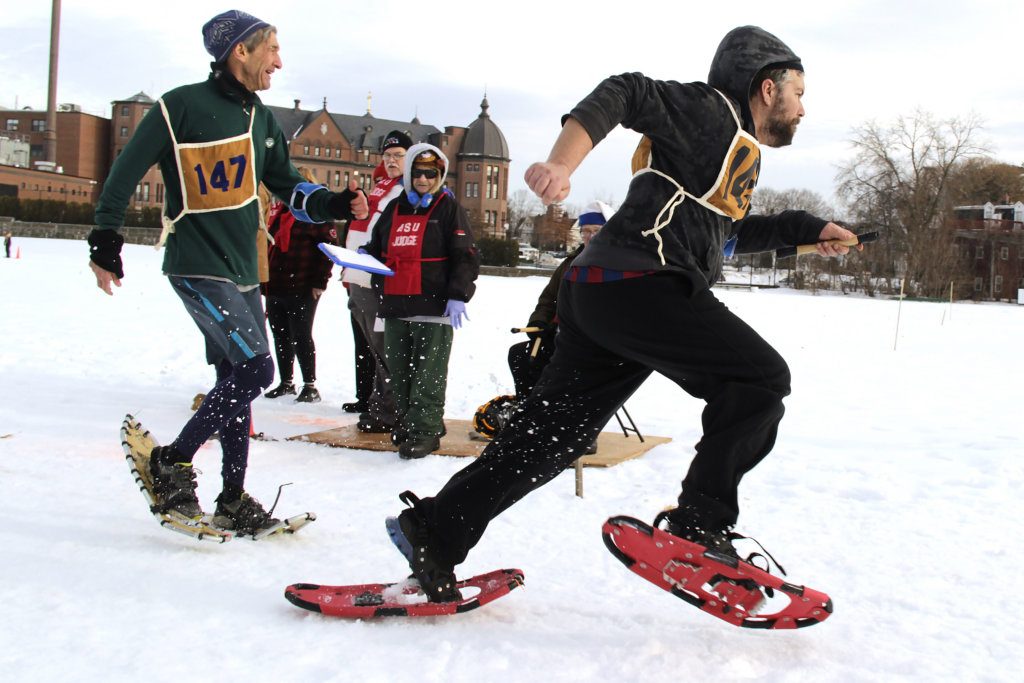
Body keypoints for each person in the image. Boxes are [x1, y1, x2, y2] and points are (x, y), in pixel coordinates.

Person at [385, 25, 863, 602]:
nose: (804, 108)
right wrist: (562, 164)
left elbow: (727, 232)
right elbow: (627, 90)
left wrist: (812, 234)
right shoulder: (709, 111)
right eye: (800, 93)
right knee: (759, 380)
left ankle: (436, 532)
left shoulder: (731, 147)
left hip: (602, 290)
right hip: (642, 284)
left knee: (549, 439)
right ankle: (699, 524)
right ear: (767, 88)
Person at [87, 10, 368, 534]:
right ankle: (173, 460)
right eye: (273, 50)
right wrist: (105, 239)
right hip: (196, 266)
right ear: (241, 50)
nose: (279, 62)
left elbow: (290, 186)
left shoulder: (261, 118)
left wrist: (333, 202)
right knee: (259, 371)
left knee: (235, 377)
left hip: (242, 270)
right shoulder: (179, 106)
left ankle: (234, 497)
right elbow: (123, 175)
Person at [363, 143, 480, 459]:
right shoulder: (394, 207)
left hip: (433, 307)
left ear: (439, 175)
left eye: (431, 174)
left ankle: (425, 431)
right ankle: (408, 423)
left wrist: (458, 294)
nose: (424, 179)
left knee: (427, 375)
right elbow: (378, 245)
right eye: (418, 173)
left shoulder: (448, 208)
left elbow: (465, 254)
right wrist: (365, 256)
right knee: (399, 374)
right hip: (396, 306)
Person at [342, 131, 412, 433]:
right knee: (373, 348)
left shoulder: (406, 190)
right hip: (357, 276)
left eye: (398, 155)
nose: (392, 161)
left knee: (385, 349)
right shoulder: (380, 187)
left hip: (376, 279)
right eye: (388, 156)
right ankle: (379, 405)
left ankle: (390, 410)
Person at [507, 201, 613, 400]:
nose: (590, 237)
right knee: (521, 356)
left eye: (597, 230)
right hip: (560, 338)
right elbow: (548, 299)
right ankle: (529, 410)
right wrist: (539, 322)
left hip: (593, 346)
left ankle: (557, 415)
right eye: (586, 231)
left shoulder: (616, 265)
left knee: (556, 369)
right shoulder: (570, 263)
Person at [263, 167, 338, 403]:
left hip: (303, 284)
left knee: (301, 335)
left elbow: (327, 250)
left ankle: (310, 384)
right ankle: (286, 381)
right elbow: (269, 246)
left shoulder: (318, 214)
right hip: (276, 284)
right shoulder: (280, 213)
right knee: (280, 334)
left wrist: (320, 282)